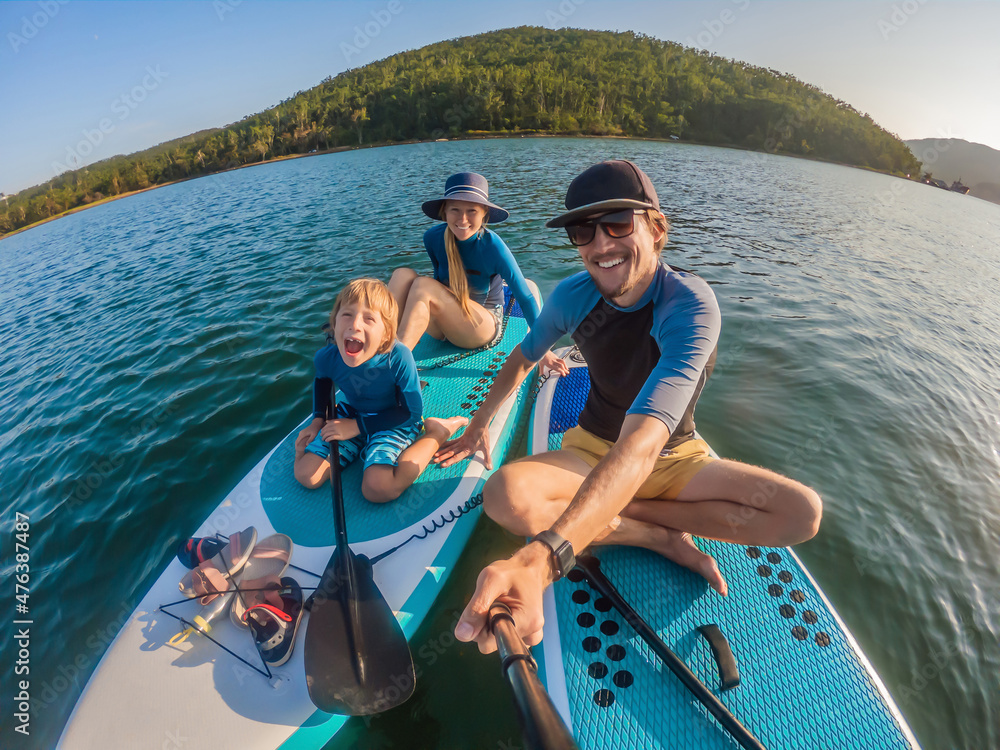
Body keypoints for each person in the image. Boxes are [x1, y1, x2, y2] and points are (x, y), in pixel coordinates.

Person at [434, 160, 823, 653]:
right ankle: (654, 535)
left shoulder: (689, 305)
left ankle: (620, 512)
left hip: (673, 455)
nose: (600, 245)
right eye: (583, 230)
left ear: (656, 229)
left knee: (799, 513)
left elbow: (642, 445)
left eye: (618, 223)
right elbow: (522, 358)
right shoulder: (573, 296)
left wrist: (544, 557)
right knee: (503, 495)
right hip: (592, 446)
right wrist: (478, 425)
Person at [294, 278, 467, 503]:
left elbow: (411, 413)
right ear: (334, 323)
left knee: (378, 489)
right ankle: (359, 443)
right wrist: (317, 421)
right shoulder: (327, 357)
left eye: (368, 318)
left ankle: (438, 431)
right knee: (307, 475)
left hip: (393, 418)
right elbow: (322, 381)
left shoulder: (398, 357)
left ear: (386, 333)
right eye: (347, 314)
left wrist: (357, 427)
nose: (355, 325)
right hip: (353, 413)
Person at [388, 171, 545, 352]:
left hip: (482, 326)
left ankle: (396, 362)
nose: (463, 219)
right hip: (446, 326)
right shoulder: (432, 238)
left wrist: (542, 348)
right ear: (445, 212)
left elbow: (525, 298)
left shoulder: (493, 246)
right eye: (455, 210)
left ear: (484, 214)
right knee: (402, 275)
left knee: (423, 285)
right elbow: (440, 279)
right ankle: (383, 345)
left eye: (472, 211)